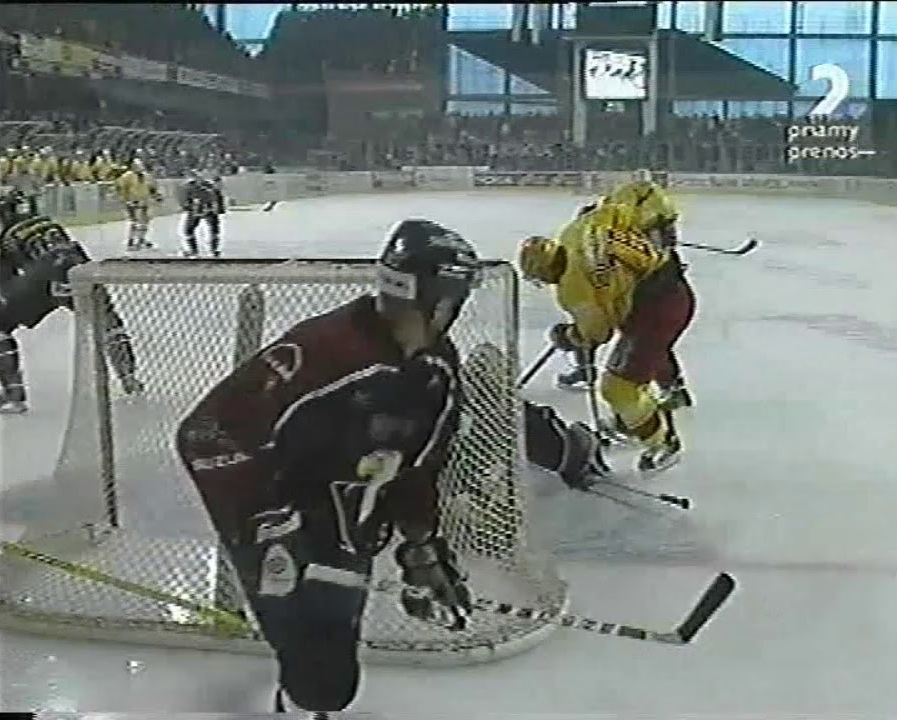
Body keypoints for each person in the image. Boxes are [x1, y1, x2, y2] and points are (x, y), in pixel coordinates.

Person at [175, 219, 611, 717]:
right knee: (317, 672)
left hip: (350, 528)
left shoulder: (437, 373)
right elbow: (206, 433)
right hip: (278, 524)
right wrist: (265, 524)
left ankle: (305, 699)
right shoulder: (322, 351)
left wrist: (421, 548)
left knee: (333, 670)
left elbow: (417, 469)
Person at [518, 201, 695, 473]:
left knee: (618, 387)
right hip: (667, 290)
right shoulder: (575, 230)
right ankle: (633, 421)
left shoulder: (573, 289)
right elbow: (632, 198)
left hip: (656, 311)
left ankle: (664, 442)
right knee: (634, 368)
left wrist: (568, 335)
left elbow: (598, 332)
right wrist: (663, 224)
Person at [0, 189, 143, 414]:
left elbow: (1, 283)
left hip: (41, 279)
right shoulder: (51, 224)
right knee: (108, 321)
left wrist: (4, 310)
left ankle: (14, 395)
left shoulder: (5, 238)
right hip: (76, 267)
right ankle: (128, 377)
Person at [553, 177, 695, 412]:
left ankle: (639, 413)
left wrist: (574, 337)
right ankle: (672, 388)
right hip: (653, 300)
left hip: (648, 304)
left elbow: (599, 323)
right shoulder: (632, 233)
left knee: (637, 351)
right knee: (650, 346)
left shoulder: (616, 248)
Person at [116, 158, 162, 252]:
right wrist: (126, 200)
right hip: (133, 202)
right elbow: (121, 189)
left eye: (140, 165)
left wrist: (157, 196)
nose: (139, 167)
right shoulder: (127, 176)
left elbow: (152, 188)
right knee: (135, 223)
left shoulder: (146, 176)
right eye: (137, 165)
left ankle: (141, 240)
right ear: (132, 166)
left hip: (144, 201)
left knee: (145, 223)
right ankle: (131, 242)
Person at [177, 169, 225, 257]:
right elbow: (218, 196)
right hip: (202, 209)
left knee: (191, 230)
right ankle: (205, 251)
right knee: (191, 230)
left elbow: (218, 196)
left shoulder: (194, 185)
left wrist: (186, 206)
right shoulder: (192, 185)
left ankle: (202, 251)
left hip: (201, 209)